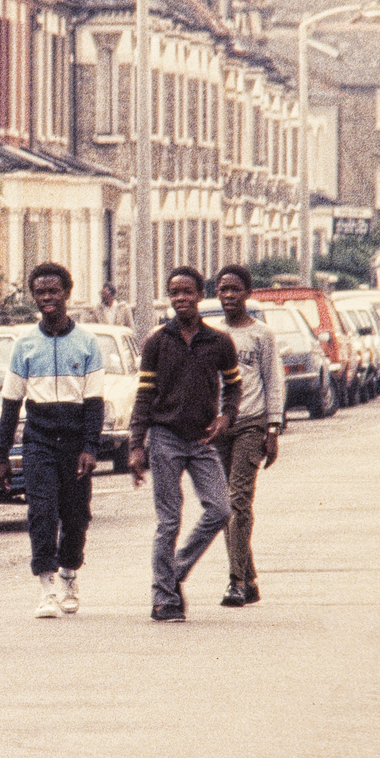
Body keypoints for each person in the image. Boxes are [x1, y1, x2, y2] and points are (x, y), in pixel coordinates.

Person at [128, 266, 242, 622]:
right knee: (169, 520)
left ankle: (173, 572)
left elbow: (234, 386)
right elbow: (144, 396)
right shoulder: (157, 343)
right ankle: (164, 600)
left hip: (203, 440)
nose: (181, 299)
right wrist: (136, 445)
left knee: (221, 510)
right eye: (174, 293)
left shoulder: (219, 342)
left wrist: (226, 418)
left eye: (187, 292)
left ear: (200, 295)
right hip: (165, 439)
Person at [0, 263, 105, 618]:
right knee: (41, 512)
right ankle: (46, 590)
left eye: (53, 291)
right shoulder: (24, 344)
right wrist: (1, 455)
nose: (47, 298)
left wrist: (90, 447)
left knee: (76, 515)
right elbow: (11, 403)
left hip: (74, 441)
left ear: (66, 294)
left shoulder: (88, 342)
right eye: (40, 292)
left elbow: (94, 402)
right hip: (39, 439)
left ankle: (69, 575)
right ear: (34, 297)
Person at [209, 265, 284, 607]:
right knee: (226, 505)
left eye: (235, 289)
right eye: (223, 289)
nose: (228, 296)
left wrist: (273, 427)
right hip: (220, 426)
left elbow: (273, 381)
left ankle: (235, 581)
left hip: (252, 424)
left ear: (247, 293)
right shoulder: (211, 335)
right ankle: (250, 578)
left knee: (238, 501)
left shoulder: (262, 335)